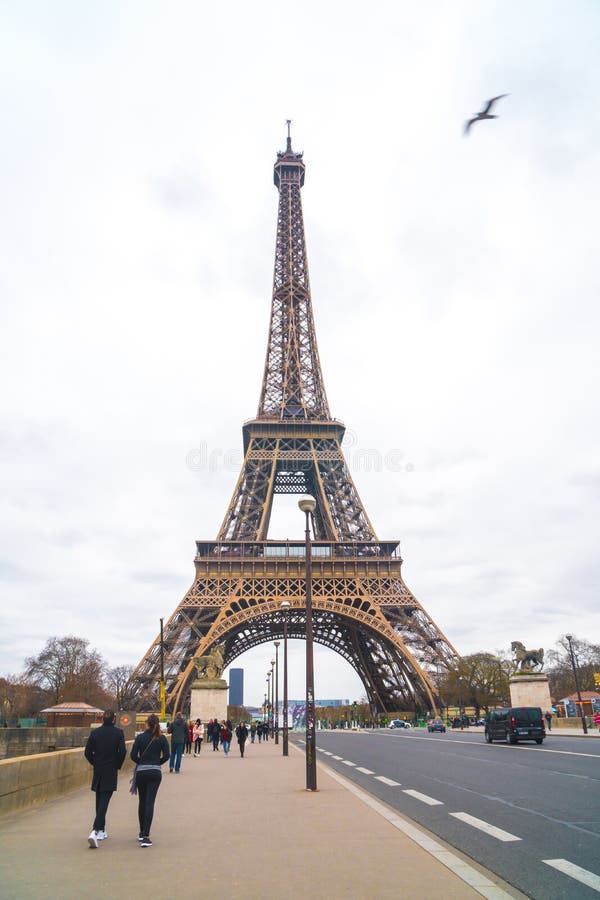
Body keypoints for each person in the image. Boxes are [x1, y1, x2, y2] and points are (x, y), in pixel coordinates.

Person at [84, 709, 126, 848]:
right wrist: (117, 765)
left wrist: (94, 762)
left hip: (98, 769)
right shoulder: (119, 733)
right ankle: (95, 830)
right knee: (105, 801)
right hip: (110, 769)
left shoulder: (95, 733)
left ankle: (101, 830)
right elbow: (123, 752)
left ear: (102, 719)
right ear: (114, 719)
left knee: (99, 798)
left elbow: (87, 752)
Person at [130, 713, 170, 848]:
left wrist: (141, 762)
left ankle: (141, 832)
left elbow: (132, 755)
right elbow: (167, 755)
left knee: (142, 801)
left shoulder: (140, 737)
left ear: (146, 724)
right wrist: (157, 763)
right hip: (155, 772)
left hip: (141, 772)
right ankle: (146, 836)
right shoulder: (162, 738)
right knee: (150, 802)